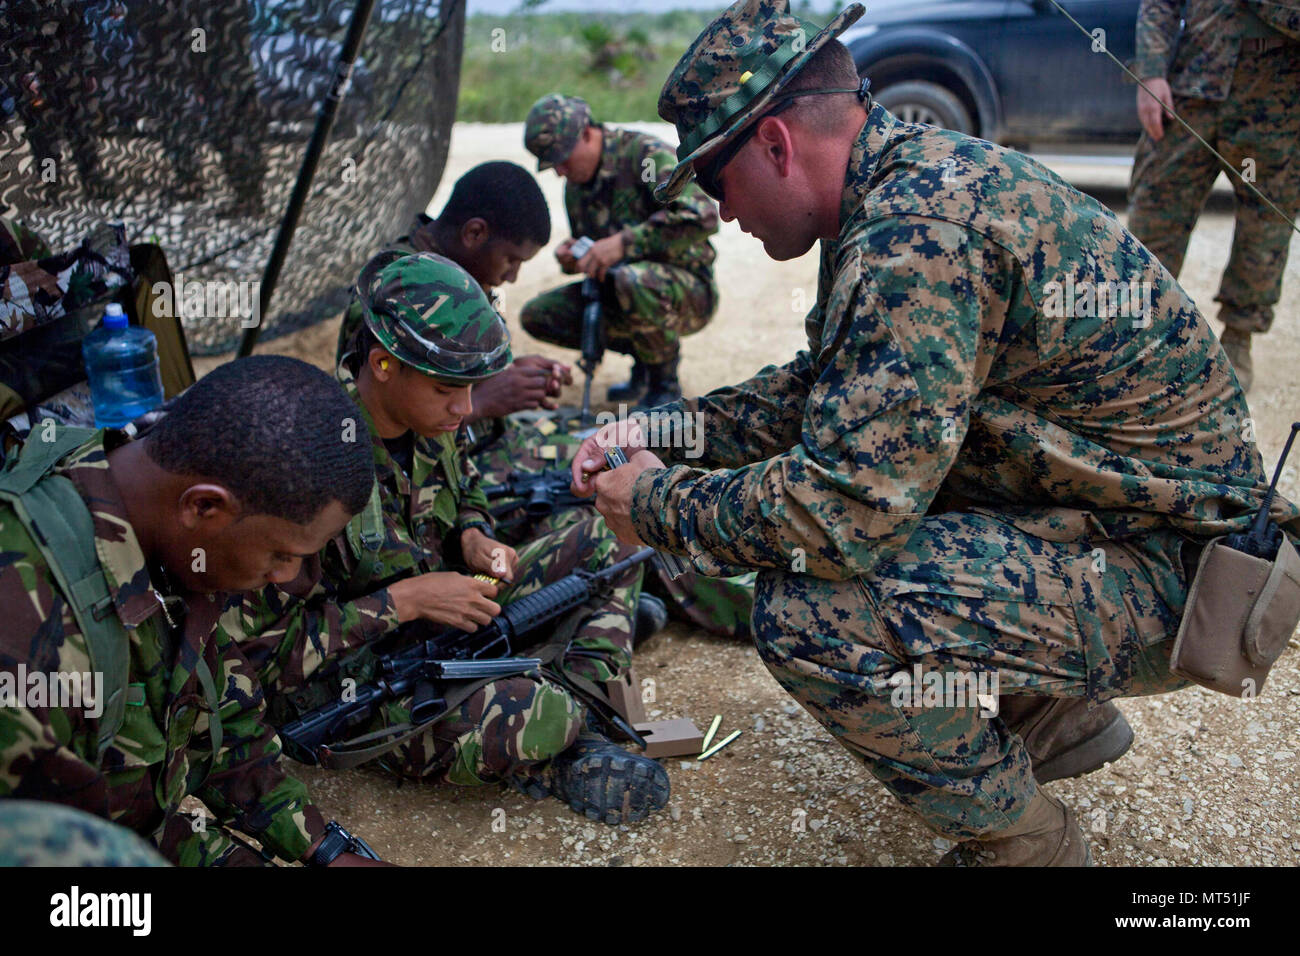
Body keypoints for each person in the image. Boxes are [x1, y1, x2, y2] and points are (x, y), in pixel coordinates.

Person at [570, 0, 1300, 866]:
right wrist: (670, 428)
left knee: (812, 609)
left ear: (775, 144)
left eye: (713, 179)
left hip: (1189, 576)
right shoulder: (898, 186)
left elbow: (839, 514)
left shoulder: (917, 235)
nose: (719, 211)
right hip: (1126, 524)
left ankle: (1030, 847)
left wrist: (653, 501)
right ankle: (1050, 718)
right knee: (892, 471)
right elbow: (829, 394)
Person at [236, 251, 670, 825]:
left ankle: (571, 679)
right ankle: (570, 715)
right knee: (541, 713)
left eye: (472, 388)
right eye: (447, 389)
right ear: (383, 365)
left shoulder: (431, 420)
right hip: (367, 684)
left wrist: (473, 534)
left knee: (611, 539)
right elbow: (271, 661)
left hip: (455, 616)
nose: (465, 409)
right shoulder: (310, 460)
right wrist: (404, 602)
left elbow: (464, 485)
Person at [0, 355, 386, 866]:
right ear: (203, 506)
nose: (289, 577)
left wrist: (327, 850)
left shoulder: (167, 543)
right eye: (282, 554)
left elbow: (222, 721)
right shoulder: (28, 640)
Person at [1127, 0, 1300, 391]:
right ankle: (1138, 334)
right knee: (1153, 215)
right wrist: (1151, 72)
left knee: (1265, 227)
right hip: (1191, 87)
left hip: (1276, 103)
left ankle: (1238, 339)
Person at [519, 94, 720, 407]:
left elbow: (703, 216)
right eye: (553, 165)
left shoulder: (644, 155)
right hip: (624, 288)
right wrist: (578, 258)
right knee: (538, 315)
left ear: (587, 133)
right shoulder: (576, 187)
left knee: (632, 281)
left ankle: (663, 384)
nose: (560, 172)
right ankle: (644, 361)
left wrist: (624, 244)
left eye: (562, 159)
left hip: (688, 292)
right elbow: (599, 257)